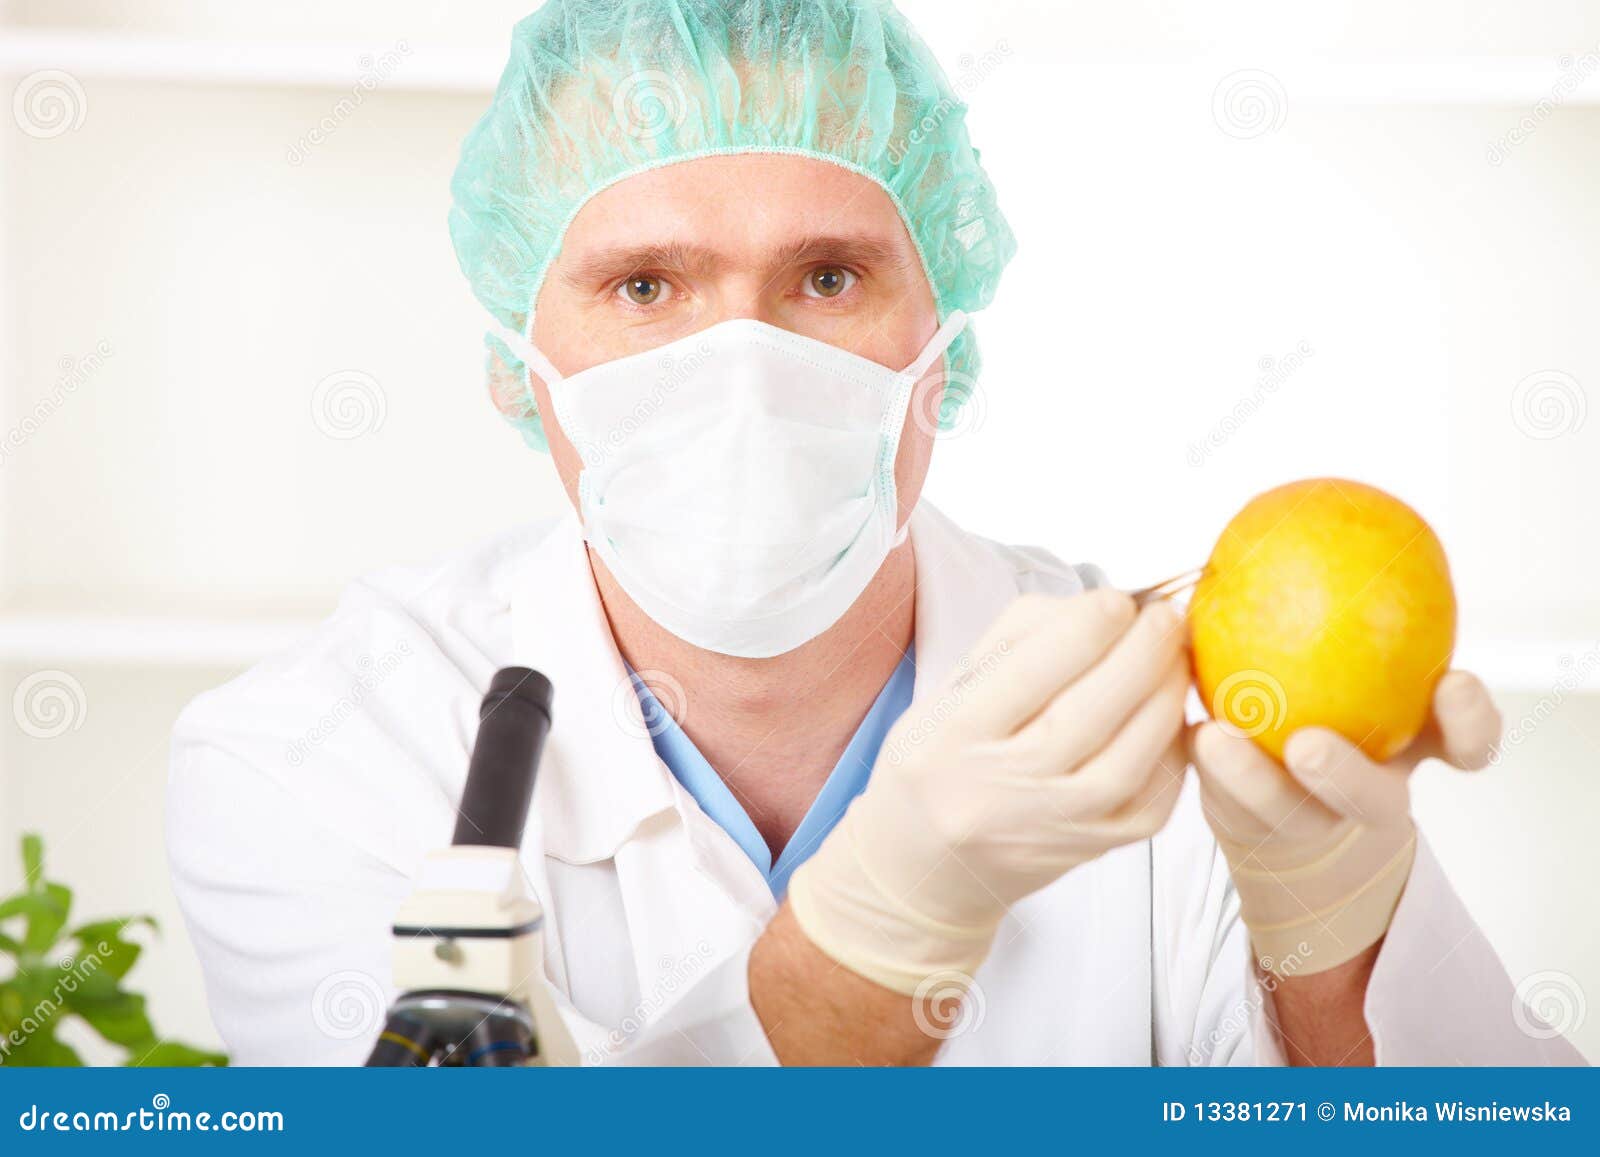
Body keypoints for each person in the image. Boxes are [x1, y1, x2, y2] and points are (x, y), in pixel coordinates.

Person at [167, 0, 1582, 1066]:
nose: (741, 368)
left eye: (827, 275)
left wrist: (1331, 959)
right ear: (521, 357)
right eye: (647, 286)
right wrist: (878, 929)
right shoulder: (317, 752)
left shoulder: (1191, 718)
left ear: (940, 339)